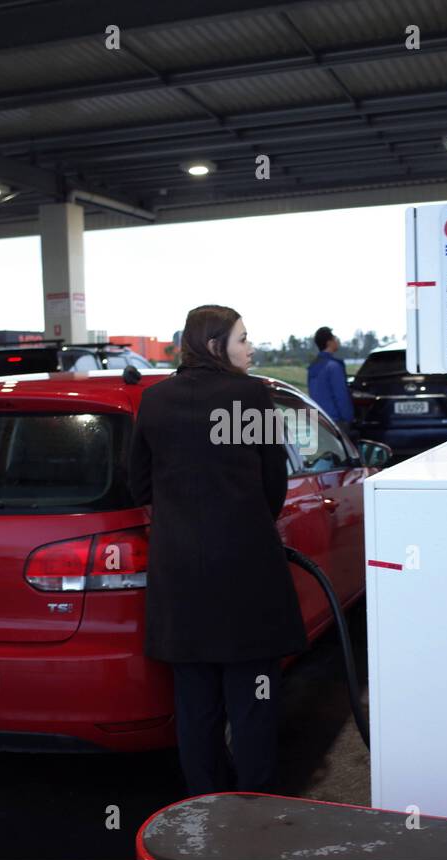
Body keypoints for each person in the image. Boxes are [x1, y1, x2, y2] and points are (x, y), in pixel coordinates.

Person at [129, 304, 307, 796]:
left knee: (195, 705)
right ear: (215, 346)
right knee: (252, 700)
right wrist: (244, 523)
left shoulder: (155, 400)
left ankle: (204, 807)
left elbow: (138, 483)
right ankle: (254, 807)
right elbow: (275, 484)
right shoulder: (253, 396)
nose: (251, 347)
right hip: (246, 576)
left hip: (179, 578)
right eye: (243, 338)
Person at [306, 327, 354, 438]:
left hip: (320, 420)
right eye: (334, 338)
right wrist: (348, 419)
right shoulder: (333, 367)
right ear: (329, 342)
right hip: (336, 422)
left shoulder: (313, 367)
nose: (336, 341)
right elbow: (341, 396)